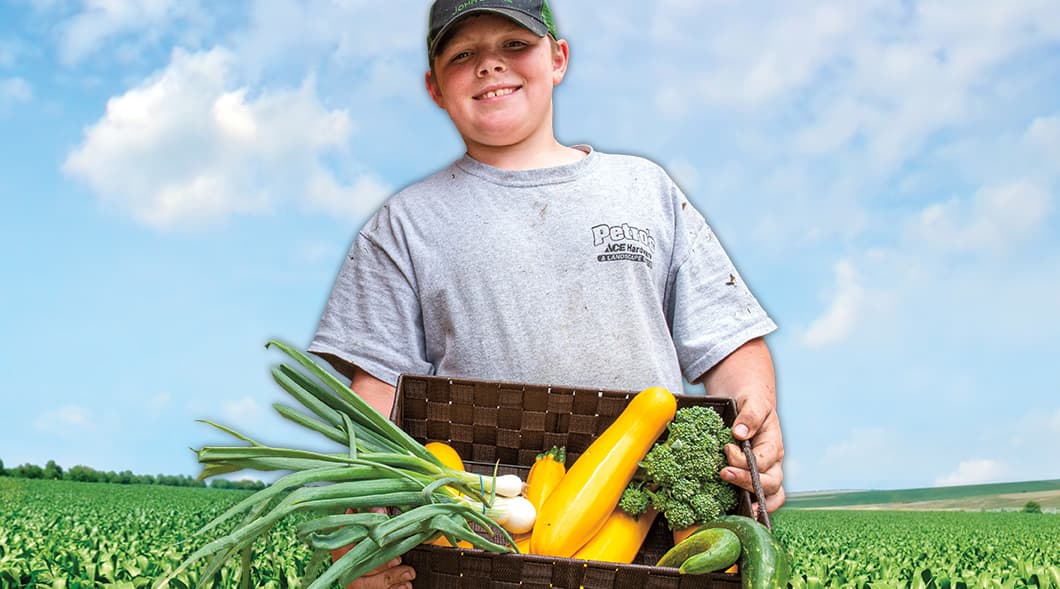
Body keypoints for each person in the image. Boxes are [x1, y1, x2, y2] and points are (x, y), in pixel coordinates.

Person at [309, 1, 786, 587]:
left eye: (515, 45)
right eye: (463, 55)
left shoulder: (644, 189)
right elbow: (379, 392)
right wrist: (365, 522)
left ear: (557, 59)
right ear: (435, 87)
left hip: (650, 524)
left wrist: (754, 421)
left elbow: (727, 343)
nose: (490, 66)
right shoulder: (405, 223)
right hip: (487, 529)